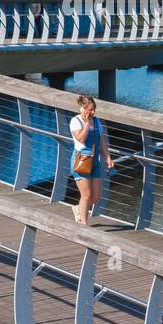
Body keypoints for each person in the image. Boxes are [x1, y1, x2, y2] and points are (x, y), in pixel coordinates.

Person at [69, 94, 113, 226]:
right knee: (86, 195)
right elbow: (81, 139)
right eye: (90, 109)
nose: (92, 112)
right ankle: (84, 226)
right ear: (82, 108)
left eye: (94, 109)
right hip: (81, 160)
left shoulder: (97, 121)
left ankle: (78, 208)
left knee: (96, 197)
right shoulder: (75, 121)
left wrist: (107, 157)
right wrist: (87, 123)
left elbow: (101, 141)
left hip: (94, 161)